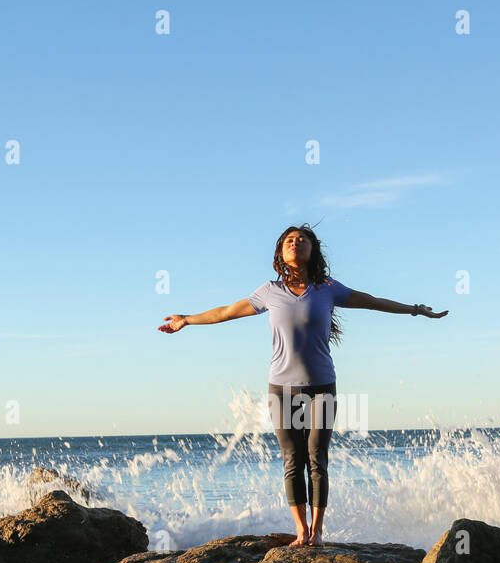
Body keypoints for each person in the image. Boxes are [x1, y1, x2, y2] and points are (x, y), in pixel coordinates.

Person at [158, 225, 447, 546]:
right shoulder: (269, 291)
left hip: (321, 386)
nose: (295, 244)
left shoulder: (327, 289)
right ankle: (301, 531)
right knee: (293, 460)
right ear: (281, 253)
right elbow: (226, 312)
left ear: (313, 250)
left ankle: (318, 532)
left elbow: (372, 301)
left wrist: (416, 310)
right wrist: (186, 318)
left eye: (302, 240)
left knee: (317, 459)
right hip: (281, 389)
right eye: (289, 241)